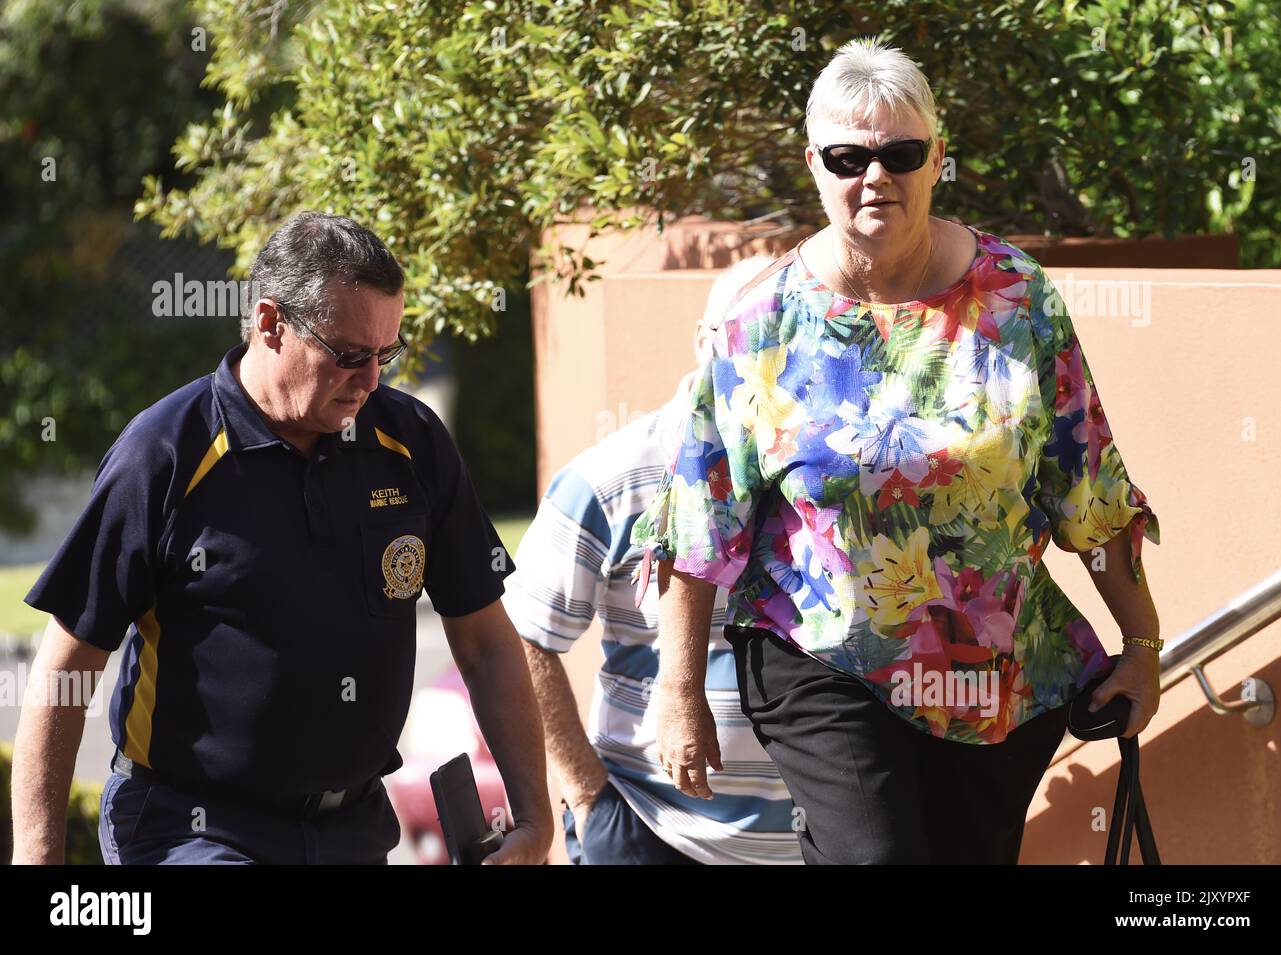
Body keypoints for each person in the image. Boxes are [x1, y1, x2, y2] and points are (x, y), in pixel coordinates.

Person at [632, 37, 1163, 865]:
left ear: (936, 159)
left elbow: (1085, 485)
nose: (874, 176)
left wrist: (1141, 643)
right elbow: (701, 519)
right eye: (849, 157)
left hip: (991, 669)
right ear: (815, 165)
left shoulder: (1017, 297)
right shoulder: (759, 320)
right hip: (822, 652)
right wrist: (679, 693)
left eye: (900, 154)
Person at [12, 212, 551, 865]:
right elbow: (65, 665)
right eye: (350, 355)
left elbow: (487, 642)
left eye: (387, 354)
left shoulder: (411, 443)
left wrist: (534, 819)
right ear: (270, 325)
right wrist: (37, 854)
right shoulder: (162, 455)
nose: (372, 380)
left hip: (353, 829)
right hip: (192, 830)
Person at [503, 258, 802, 865]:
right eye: (737, 339)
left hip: (812, 839)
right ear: (701, 341)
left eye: (783, 345)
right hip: (651, 828)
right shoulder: (609, 476)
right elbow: (523, 634)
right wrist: (588, 795)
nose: (760, 366)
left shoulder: (832, 481)